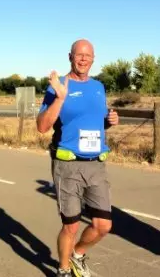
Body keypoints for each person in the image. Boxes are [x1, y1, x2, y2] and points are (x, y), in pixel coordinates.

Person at [37, 39, 119, 277]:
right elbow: (42, 126)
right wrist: (61, 97)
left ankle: (77, 255)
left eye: (88, 55)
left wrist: (109, 122)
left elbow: (95, 122)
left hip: (96, 165)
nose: (83, 59)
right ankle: (63, 269)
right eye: (79, 55)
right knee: (71, 225)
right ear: (70, 56)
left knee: (103, 225)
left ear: (93, 59)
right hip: (68, 165)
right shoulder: (57, 86)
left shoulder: (98, 87)